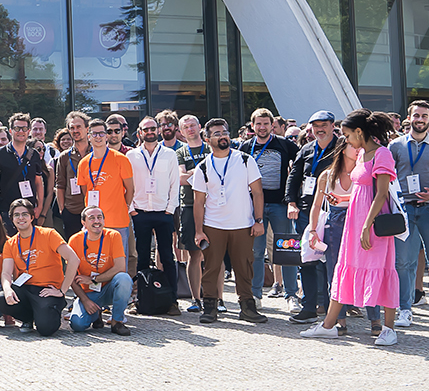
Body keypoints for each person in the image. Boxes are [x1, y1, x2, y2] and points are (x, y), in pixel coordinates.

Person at [299, 110, 401, 346]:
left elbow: (382, 193)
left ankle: (388, 328)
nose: (346, 140)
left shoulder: (382, 154)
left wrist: (367, 226)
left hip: (372, 224)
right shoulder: (363, 153)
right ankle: (328, 325)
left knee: (381, 270)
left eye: (347, 135)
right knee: (344, 269)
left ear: (359, 131)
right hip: (354, 223)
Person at [190, 118, 267, 325]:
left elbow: (258, 192)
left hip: (243, 224)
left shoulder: (244, 160)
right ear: (207, 139)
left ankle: (248, 308)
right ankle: (210, 308)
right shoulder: (203, 168)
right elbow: (198, 202)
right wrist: (199, 231)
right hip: (214, 225)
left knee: (244, 267)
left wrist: (258, 220)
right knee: (211, 268)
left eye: (224, 132)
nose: (222, 136)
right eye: (216, 133)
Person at [389, 100, 429, 328]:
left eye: (424, 116)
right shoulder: (395, 146)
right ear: (409, 118)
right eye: (416, 115)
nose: (420, 119)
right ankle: (404, 309)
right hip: (405, 209)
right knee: (403, 263)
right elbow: (388, 179)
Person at [238, 109, 300, 302]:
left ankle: (291, 295)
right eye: (258, 124)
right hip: (254, 207)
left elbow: (299, 168)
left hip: (280, 205)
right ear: (252, 125)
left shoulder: (285, 145)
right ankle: (255, 295)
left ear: (272, 125)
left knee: (287, 250)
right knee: (256, 252)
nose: (262, 127)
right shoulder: (246, 147)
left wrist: (293, 199)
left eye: (266, 123)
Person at [286, 110, 341, 324]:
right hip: (308, 211)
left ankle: (332, 310)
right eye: (315, 125)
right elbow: (294, 175)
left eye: (324, 125)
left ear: (332, 125)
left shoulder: (342, 148)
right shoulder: (307, 149)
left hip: (335, 212)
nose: (320, 129)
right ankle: (309, 307)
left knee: (332, 261)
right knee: (307, 259)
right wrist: (291, 202)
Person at [0, 198, 80, 336]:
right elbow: (6, 273)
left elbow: (73, 259)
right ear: (12, 219)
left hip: (48, 289)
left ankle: (51, 310)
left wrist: (62, 290)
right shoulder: (10, 243)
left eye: (24, 214)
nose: (21, 218)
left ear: (32, 217)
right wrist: (7, 289)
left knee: (46, 329)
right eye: (16, 215)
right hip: (25, 287)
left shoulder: (49, 234)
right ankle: (28, 318)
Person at [128, 116, 180, 283]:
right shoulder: (131, 155)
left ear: (158, 130)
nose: (149, 132)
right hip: (140, 212)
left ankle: (172, 299)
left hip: (163, 212)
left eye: (152, 129)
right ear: (139, 133)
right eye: (146, 129)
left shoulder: (169, 154)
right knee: (142, 257)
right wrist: (132, 209)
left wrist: (170, 209)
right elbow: (127, 184)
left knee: (167, 257)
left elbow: (175, 183)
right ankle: (144, 298)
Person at [67, 206, 133, 336]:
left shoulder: (113, 236)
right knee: (77, 325)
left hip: (109, 289)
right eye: (91, 218)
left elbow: (120, 268)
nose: (96, 221)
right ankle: (96, 313)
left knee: (124, 279)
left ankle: (117, 321)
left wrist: (93, 279)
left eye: (99, 217)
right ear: (83, 223)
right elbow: (70, 276)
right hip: (89, 293)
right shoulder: (75, 240)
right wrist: (85, 300)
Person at [76, 118, 134, 257]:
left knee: (119, 262)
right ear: (88, 136)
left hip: (117, 220)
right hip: (93, 221)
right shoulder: (83, 163)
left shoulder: (121, 159)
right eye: (94, 134)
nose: (98, 137)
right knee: (96, 260)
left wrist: (124, 205)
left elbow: (130, 189)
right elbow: (85, 191)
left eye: (102, 133)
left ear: (106, 136)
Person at [0, 113, 47, 237]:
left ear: (29, 131)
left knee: (30, 248)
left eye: (24, 128)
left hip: (29, 210)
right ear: (11, 131)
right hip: (6, 210)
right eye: (17, 128)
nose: (21, 132)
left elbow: (38, 182)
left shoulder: (34, 154)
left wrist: (40, 206)